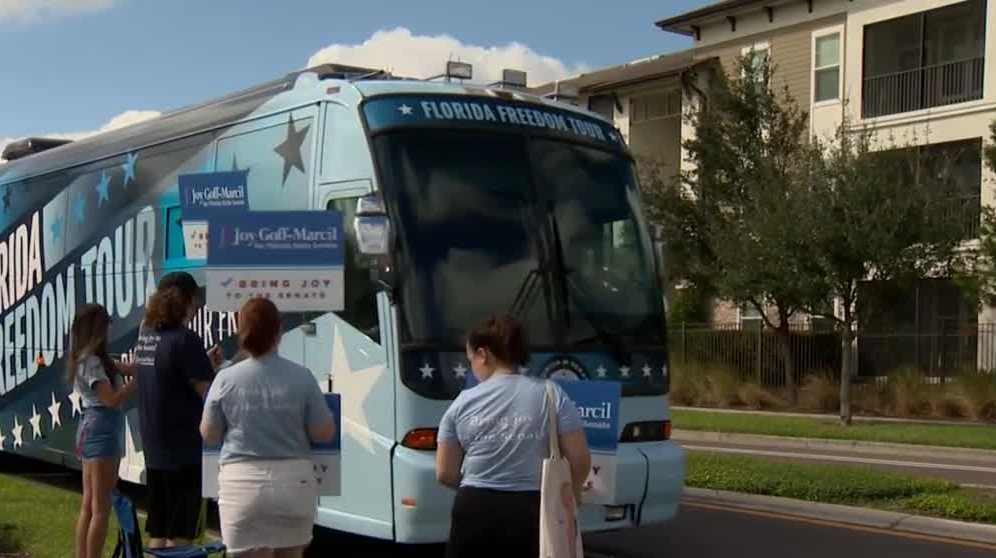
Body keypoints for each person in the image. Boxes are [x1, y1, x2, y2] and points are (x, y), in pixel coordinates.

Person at [436, 315, 592, 558]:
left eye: (470, 360)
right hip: (533, 509)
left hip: (474, 507)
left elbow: (444, 472)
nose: (472, 368)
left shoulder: (461, 404)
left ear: (483, 354)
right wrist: (573, 491)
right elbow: (580, 460)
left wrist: (481, 484)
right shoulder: (551, 394)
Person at [201, 297, 335, 558]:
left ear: (241, 332)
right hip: (294, 484)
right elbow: (323, 431)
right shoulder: (302, 377)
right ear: (279, 331)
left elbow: (209, 433)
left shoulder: (225, 379)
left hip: (241, 487)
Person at [134, 272, 223, 549]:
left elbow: (166, 373)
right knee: (182, 535)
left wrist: (203, 364)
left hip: (155, 450)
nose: (197, 306)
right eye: (195, 299)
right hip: (185, 453)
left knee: (159, 532)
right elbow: (208, 394)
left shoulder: (147, 336)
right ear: (186, 300)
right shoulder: (186, 340)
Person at [71, 303, 138, 558]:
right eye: (106, 325)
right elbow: (110, 399)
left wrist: (136, 368)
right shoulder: (93, 362)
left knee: (89, 505)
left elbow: (126, 368)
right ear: (96, 329)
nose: (111, 329)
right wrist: (135, 385)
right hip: (102, 428)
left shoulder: (92, 359)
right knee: (101, 507)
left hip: (91, 427)